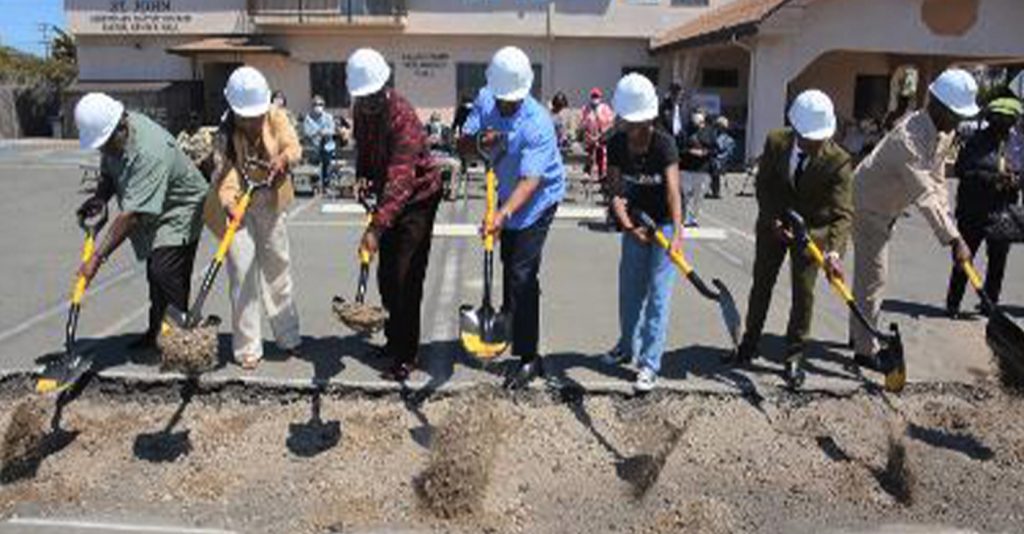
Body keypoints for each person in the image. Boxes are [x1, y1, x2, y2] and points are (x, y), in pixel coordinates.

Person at [851, 68, 979, 367]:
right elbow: (924, 193)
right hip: (867, 206)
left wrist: (952, 227)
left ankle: (858, 333)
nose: (958, 121)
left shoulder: (944, 132)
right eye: (955, 114)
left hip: (888, 208)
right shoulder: (908, 138)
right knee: (874, 278)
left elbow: (938, 183)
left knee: (867, 277)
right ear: (936, 104)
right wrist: (954, 238)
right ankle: (864, 350)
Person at [458, 46, 567, 388]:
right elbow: (462, 144)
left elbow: (531, 181)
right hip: (505, 193)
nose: (505, 106)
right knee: (510, 261)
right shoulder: (486, 99)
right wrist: (478, 140)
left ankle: (529, 357)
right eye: (501, 100)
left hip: (538, 200)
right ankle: (511, 311)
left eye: (511, 101)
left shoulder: (538, 123)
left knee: (522, 274)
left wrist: (502, 214)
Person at [729, 90, 854, 388]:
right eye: (809, 139)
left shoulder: (838, 161)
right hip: (773, 226)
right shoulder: (776, 142)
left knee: (803, 293)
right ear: (795, 129)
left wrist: (834, 254)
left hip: (812, 234)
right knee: (762, 284)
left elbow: (843, 213)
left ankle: (794, 356)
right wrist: (773, 219)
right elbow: (765, 186)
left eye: (820, 139)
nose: (815, 144)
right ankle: (749, 343)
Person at [73, 93, 208, 352]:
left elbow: (132, 215)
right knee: (154, 272)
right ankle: (157, 331)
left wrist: (96, 259)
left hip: (181, 207)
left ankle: (178, 342)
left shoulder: (149, 151)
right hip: (153, 203)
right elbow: (110, 172)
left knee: (165, 270)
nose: (104, 150)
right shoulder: (113, 137)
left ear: (121, 127)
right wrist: (101, 198)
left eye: (105, 143)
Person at [348, 48, 443, 382]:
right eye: (362, 97)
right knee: (387, 274)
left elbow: (401, 179)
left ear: (384, 86)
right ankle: (393, 340)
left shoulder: (402, 115)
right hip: (389, 194)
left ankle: (407, 353)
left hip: (419, 198)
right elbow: (364, 148)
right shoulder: (361, 109)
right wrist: (362, 176)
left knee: (406, 276)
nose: (367, 103)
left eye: (372, 96)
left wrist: (375, 228)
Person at [209, 66, 303, 370]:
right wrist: (228, 203)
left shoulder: (276, 116)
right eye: (244, 116)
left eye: (254, 115)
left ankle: (287, 335)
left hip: (271, 200)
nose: (250, 121)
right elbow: (224, 175)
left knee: (278, 268)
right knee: (241, 273)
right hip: (239, 204)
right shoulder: (225, 132)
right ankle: (248, 346)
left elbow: (293, 146)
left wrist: (283, 159)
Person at [601, 73, 684, 393]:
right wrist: (627, 224)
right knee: (630, 292)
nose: (634, 131)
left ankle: (649, 364)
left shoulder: (664, 143)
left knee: (658, 297)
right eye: (629, 123)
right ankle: (626, 346)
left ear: (650, 117)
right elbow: (616, 189)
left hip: (662, 224)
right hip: (635, 222)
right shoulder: (617, 142)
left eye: (640, 124)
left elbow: (674, 192)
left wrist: (677, 234)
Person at [945, 97, 1022, 318]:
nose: (1005, 125)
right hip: (973, 210)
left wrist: (1014, 180)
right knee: (963, 258)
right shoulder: (975, 142)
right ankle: (953, 303)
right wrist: (991, 178)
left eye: (1009, 121)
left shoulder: (1015, 144)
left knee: (998, 261)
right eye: (1001, 120)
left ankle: (989, 304)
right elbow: (962, 170)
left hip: (1003, 212)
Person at [679, 110, 717, 226]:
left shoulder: (710, 132)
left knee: (699, 195)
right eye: (695, 120)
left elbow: (715, 149)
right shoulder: (684, 131)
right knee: (686, 195)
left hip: (703, 169)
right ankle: (686, 218)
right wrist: (690, 151)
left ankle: (694, 218)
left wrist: (705, 152)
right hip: (686, 168)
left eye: (700, 121)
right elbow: (678, 148)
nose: (698, 124)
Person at [302, 95, 336, 195]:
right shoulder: (308, 118)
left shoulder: (328, 117)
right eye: (316, 104)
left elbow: (332, 130)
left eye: (320, 104)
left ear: (324, 106)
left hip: (327, 146)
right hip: (314, 147)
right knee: (314, 166)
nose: (318, 106)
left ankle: (327, 185)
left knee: (327, 164)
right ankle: (315, 185)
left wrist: (323, 133)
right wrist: (317, 133)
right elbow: (307, 132)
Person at [580, 87, 615, 181]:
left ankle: (601, 174)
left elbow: (610, 123)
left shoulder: (605, 108)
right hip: (589, 136)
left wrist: (601, 135)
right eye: (593, 96)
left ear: (600, 97)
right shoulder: (586, 108)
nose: (595, 98)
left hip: (601, 135)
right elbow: (583, 123)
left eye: (596, 96)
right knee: (589, 155)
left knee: (601, 155)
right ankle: (587, 172)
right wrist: (588, 135)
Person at [176, 110, 215, 181]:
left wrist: (199, 161)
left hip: (202, 164)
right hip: (187, 166)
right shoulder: (183, 135)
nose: (192, 121)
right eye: (190, 119)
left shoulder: (204, 133)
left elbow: (209, 150)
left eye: (195, 119)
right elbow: (178, 150)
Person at [709, 115, 736, 198]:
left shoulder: (729, 140)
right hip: (713, 158)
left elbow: (727, 154)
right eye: (717, 126)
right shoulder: (713, 135)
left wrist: (717, 157)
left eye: (719, 126)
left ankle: (715, 191)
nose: (717, 128)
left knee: (714, 165)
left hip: (721, 161)